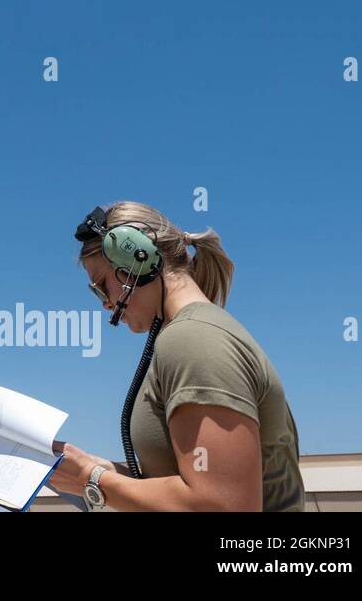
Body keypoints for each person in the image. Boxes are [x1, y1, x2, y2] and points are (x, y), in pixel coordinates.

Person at [46, 201, 304, 511]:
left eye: (102, 286)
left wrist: (92, 479)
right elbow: (190, 486)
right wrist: (97, 470)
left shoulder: (193, 339)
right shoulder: (192, 333)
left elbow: (223, 505)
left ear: (138, 257)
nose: (105, 303)